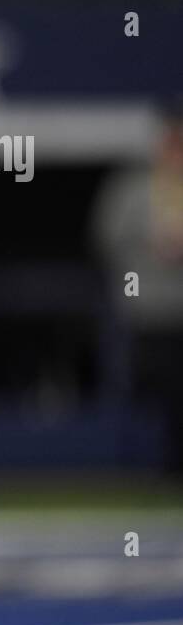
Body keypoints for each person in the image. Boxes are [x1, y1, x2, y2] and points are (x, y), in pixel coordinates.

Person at [93, 100, 183, 481]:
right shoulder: (132, 189)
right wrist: (152, 242)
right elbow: (106, 237)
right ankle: (146, 467)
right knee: (154, 389)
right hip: (148, 309)